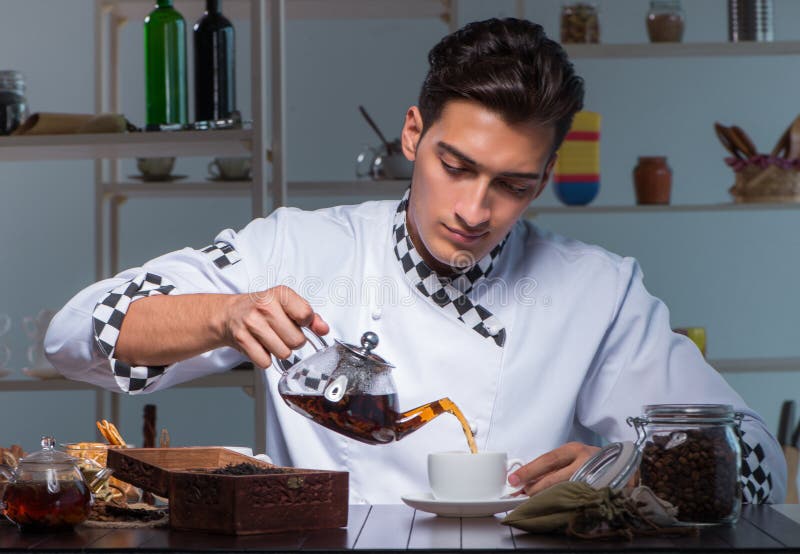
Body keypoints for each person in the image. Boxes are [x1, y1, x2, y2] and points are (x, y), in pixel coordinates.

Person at [45, 18, 786, 504]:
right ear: (411, 134)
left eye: (512, 185)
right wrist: (225, 313)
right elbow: (77, 337)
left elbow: (757, 457)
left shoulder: (599, 289)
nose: (474, 209)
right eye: (455, 166)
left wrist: (626, 469)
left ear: (546, 178)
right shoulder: (301, 247)